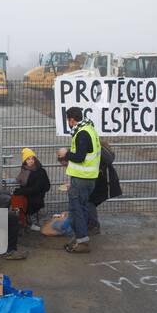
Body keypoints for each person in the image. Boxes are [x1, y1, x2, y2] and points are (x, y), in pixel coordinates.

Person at [57, 107, 101, 254]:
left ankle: (82, 241)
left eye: (68, 121)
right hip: (88, 178)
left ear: (71, 120)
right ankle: (79, 239)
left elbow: (80, 157)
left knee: (77, 210)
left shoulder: (82, 133)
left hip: (82, 179)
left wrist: (66, 153)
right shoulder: (90, 129)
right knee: (81, 209)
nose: (68, 124)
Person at [86, 140, 122, 236]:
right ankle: (91, 223)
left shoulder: (100, 155)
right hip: (105, 183)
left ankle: (94, 226)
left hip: (105, 184)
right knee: (89, 201)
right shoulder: (102, 154)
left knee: (90, 201)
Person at [13, 148, 51, 231]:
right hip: (28, 193)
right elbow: (23, 184)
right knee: (16, 197)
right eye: (28, 159)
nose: (30, 161)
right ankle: (23, 220)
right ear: (25, 161)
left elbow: (37, 188)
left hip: (37, 195)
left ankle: (31, 222)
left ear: (35, 159)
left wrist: (22, 191)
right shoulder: (25, 169)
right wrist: (21, 191)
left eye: (32, 158)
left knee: (27, 200)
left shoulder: (40, 171)